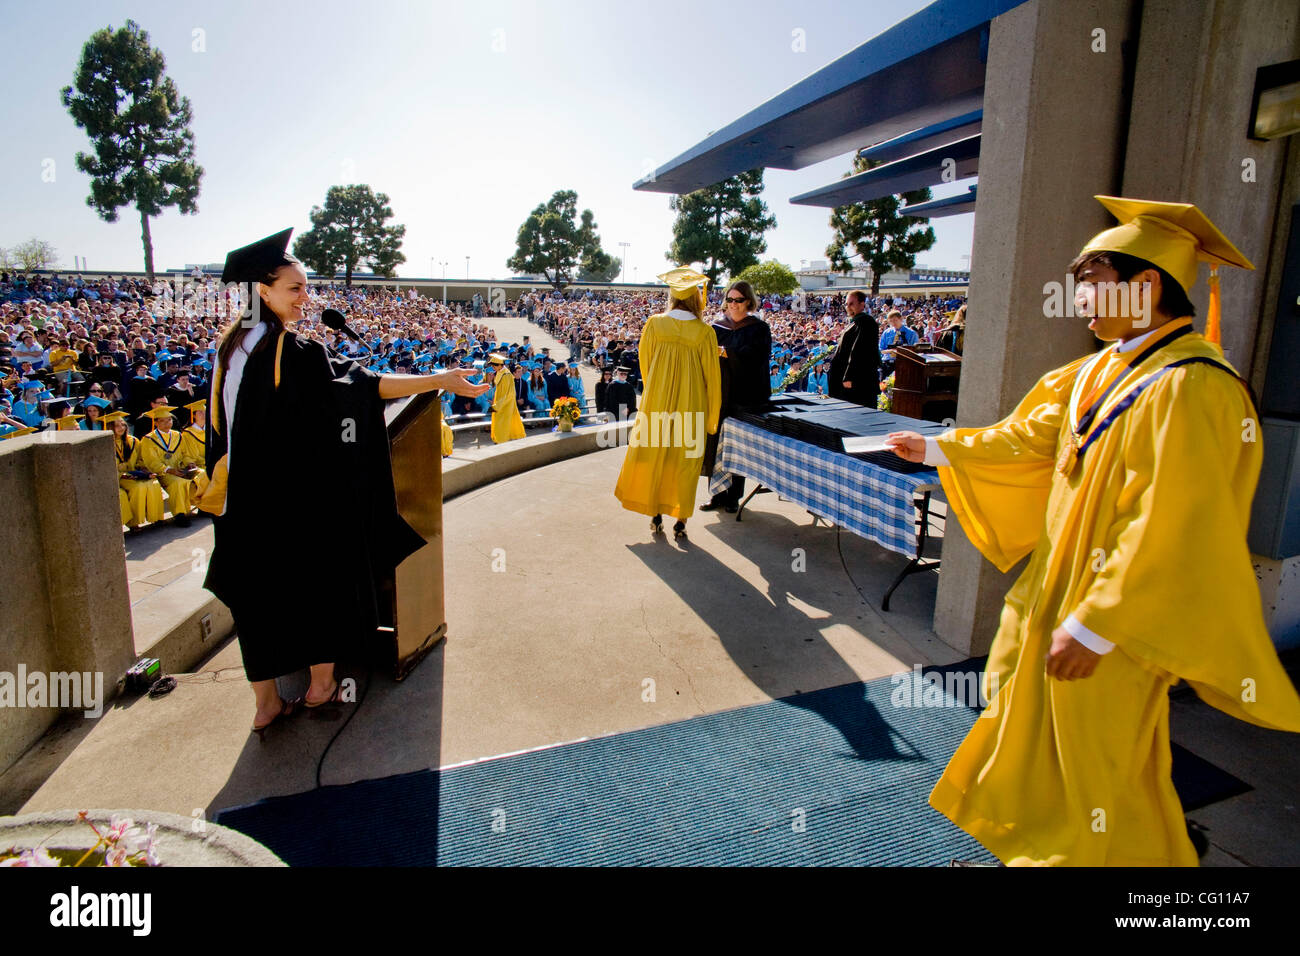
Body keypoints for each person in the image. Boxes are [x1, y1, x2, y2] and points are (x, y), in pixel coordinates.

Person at [885, 196, 1300, 865]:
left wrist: (1102, 622)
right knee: (1026, 731)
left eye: (1092, 281)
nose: (1078, 296)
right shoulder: (1096, 372)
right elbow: (1027, 439)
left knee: (1098, 765)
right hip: (1053, 589)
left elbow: (1177, 518)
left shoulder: (1193, 385)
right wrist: (939, 449)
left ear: (1145, 286)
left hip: (1116, 615)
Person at [204, 229, 488, 739]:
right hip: (292, 504)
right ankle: (320, 686)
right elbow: (363, 388)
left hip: (242, 504)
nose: (305, 298)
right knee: (318, 581)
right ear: (261, 292)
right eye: (295, 288)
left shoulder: (230, 349)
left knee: (258, 599)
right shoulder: (290, 351)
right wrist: (439, 378)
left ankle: (266, 704)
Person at [613, 268, 720, 541]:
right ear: (697, 299)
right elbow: (712, 379)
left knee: (656, 456)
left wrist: (656, 390)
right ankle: (680, 520)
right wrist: (711, 419)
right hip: (692, 405)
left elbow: (645, 368)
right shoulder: (705, 332)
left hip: (657, 403)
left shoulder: (655, 324)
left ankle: (655, 511)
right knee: (685, 462)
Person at [700, 280, 771, 513]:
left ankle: (733, 497)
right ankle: (717, 494)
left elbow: (755, 360)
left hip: (745, 397)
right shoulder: (717, 328)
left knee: (737, 446)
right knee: (716, 443)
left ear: (748, 302)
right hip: (719, 396)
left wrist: (726, 353)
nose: (733, 304)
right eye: (729, 299)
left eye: (738, 300)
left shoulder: (758, 329)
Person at [109, 410, 164, 530]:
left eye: (123, 424)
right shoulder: (106, 444)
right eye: (117, 425)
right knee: (138, 487)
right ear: (110, 427)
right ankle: (133, 522)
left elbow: (140, 459)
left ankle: (156, 517)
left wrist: (143, 469)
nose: (121, 428)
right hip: (118, 477)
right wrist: (124, 475)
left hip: (134, 474)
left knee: (153, 483)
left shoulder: (133, 440)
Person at [827, 291, 879, 405]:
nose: (848, 307)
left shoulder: (866, 323)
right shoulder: (854, 323)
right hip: (847, 379)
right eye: (846, 304)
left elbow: (858, 351)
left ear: (862, 304)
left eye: (851, 304)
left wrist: (849, 377)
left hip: (858, 381)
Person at [485, 353, 525, 443]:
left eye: (494, 365)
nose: (493, 367)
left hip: (505, 405)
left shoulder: (506, 375)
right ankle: (499, 440)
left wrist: (497, 406)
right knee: (500, 424)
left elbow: (509, 394)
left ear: (499, 365)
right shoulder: (501, 373)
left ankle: (501, 442)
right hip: (500, 404)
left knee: (503, 425)